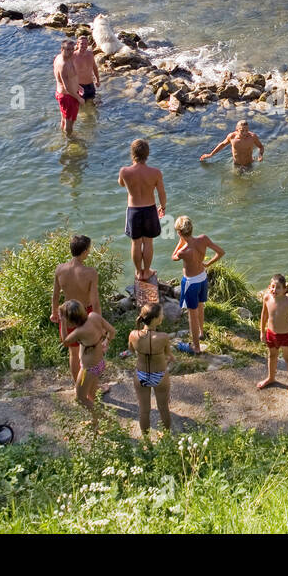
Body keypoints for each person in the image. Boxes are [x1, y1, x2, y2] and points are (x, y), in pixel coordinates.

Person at [171, 215, 224, 356]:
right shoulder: (204, 239)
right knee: (201, 306)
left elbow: (174, 256)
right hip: (202, 278)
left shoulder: (184, 251)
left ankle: (196, 347)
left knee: (191, 315)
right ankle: (201, 332)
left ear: (180, 233)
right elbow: (221, 252)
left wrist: (180, 241)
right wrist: (208, 263)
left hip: (190, 283)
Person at [52, 234, 100, 383]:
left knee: (73, 353)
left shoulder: (60, 269)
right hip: (85, 313)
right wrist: (99, 321)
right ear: (85, 251)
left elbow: (55, 295)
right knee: (90, 352)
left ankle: (78, 385)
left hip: (68, 313)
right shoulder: (90, 273)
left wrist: (54, 313)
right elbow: (95, 301)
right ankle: (92, 387)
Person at [61, 298, 115, 431]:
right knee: (91, 396)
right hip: (99, 364)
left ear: (71, 320)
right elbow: (112, 331)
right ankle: (96, 422)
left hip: (88, 370)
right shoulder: (94, 316)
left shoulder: (79, 332)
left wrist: (62, 321)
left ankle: (106, 420)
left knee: (80, 398)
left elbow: (65, 342)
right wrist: (105, 342)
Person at [118, 139, 166, 284]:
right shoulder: (155, 173)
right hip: (150, 209)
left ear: (132, 153)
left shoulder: (124, 171)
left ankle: (139, 272)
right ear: (147, 154)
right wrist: (163, 207)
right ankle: (147, 271)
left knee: (136, 243)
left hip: (133, 210)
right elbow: (162, 193)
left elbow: (121, 184)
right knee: (148, 242)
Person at [129, 301, 174, 438]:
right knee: (163, 408)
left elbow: (131, 350)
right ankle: (166, 437)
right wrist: (169, 358)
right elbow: (168, 355)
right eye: (161, 314)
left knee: (144, 410)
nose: (163, 316)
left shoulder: (133, 334)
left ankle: (146, 440)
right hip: (159, 375)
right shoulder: (163, 337)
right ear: (155, 319)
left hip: (141, 375)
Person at [258, 274, 288, 398]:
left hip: (285, 335)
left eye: (278, 288)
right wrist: (262, 331)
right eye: (272, 287)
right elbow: (264, 315)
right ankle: (271, 378)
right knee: (272, 356)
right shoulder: (267, 298)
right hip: (271, 334)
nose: (274, 290)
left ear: (284, 290)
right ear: (269, 287)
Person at [53, 38, 84, 136]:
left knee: (64, 118)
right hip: (68, 96)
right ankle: (69, 139)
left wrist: (77, 86)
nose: (71, 52)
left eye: (72, 49)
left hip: (64, 94)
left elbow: (67, 79)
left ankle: (64, 133)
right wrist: (79, 98)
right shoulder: (64, 65)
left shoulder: (60, 57)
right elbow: (67, 87)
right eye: (68, 49)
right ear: (62, 49)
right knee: (69, 121)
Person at [73, 34, 100, 106]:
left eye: (86, 44)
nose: (84, 45)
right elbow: (68, 72)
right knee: (82, 106)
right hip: (80, 87)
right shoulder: (73, 56)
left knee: (92, 105)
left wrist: (97, 80)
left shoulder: (90, 54)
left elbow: (94, 67)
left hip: (90, 85)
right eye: (82, 43)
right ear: (78, 44)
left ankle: (93, 117)